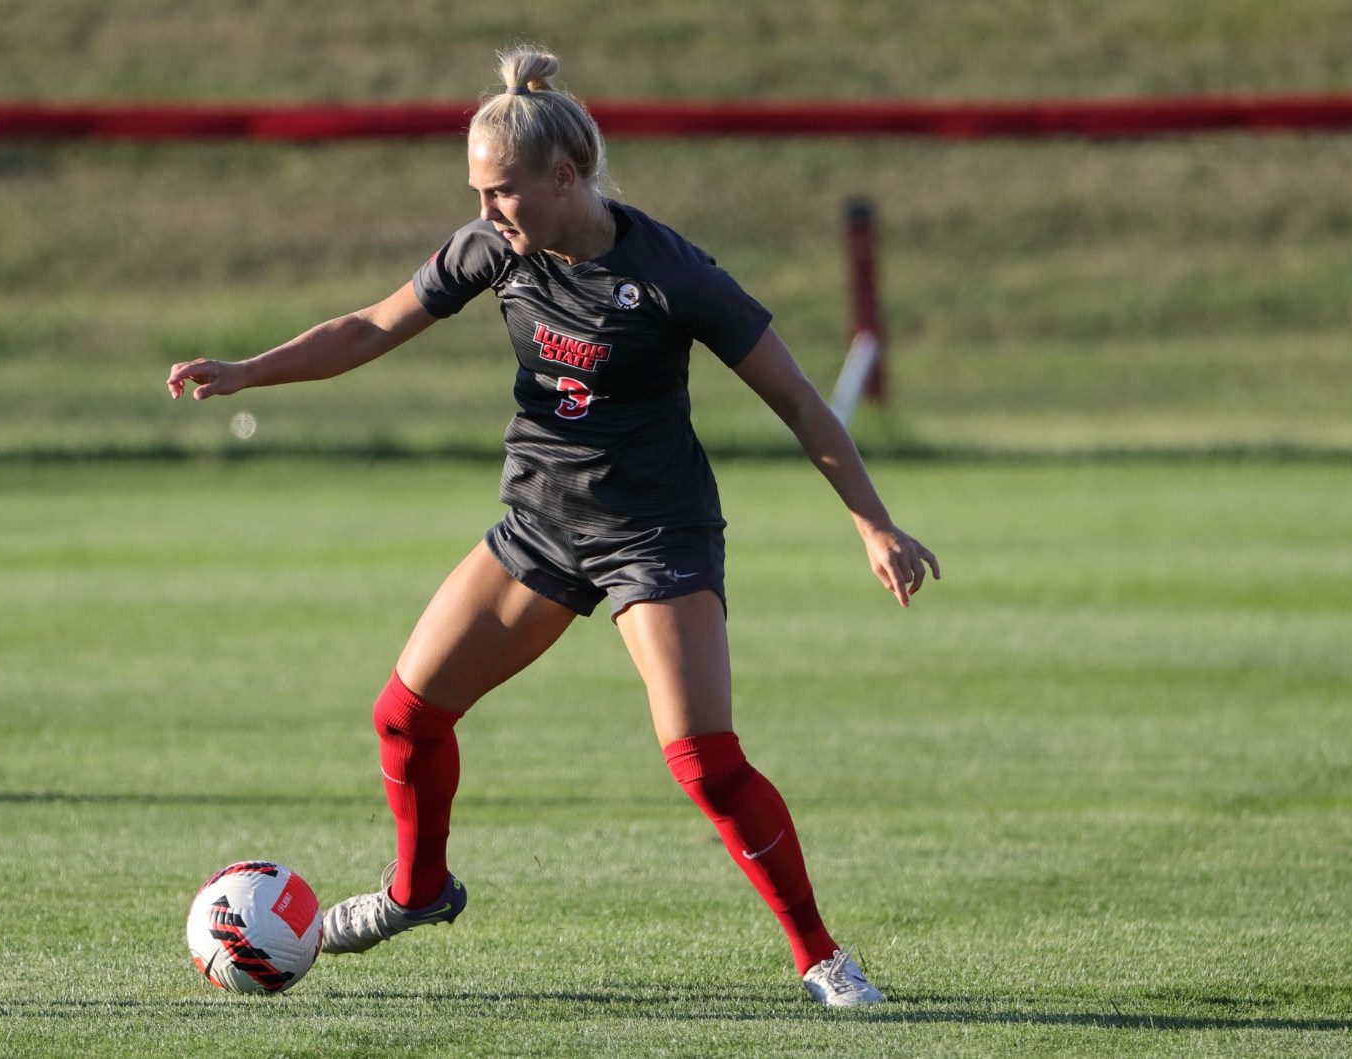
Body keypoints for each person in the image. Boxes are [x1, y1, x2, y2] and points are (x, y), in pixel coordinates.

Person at [166, 47, 938, 1007]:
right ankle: (417, 890)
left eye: (501, 192)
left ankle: (820, 956)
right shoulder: (495, 249)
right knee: (405, 716)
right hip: (539, 524)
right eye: (478, 194)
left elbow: (798, 399)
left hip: (654, 535)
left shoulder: (672, 274)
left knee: (704, 760)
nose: (486, 211)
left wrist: (873, 524)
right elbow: (372, 325)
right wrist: (249, 370)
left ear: (566, 177)